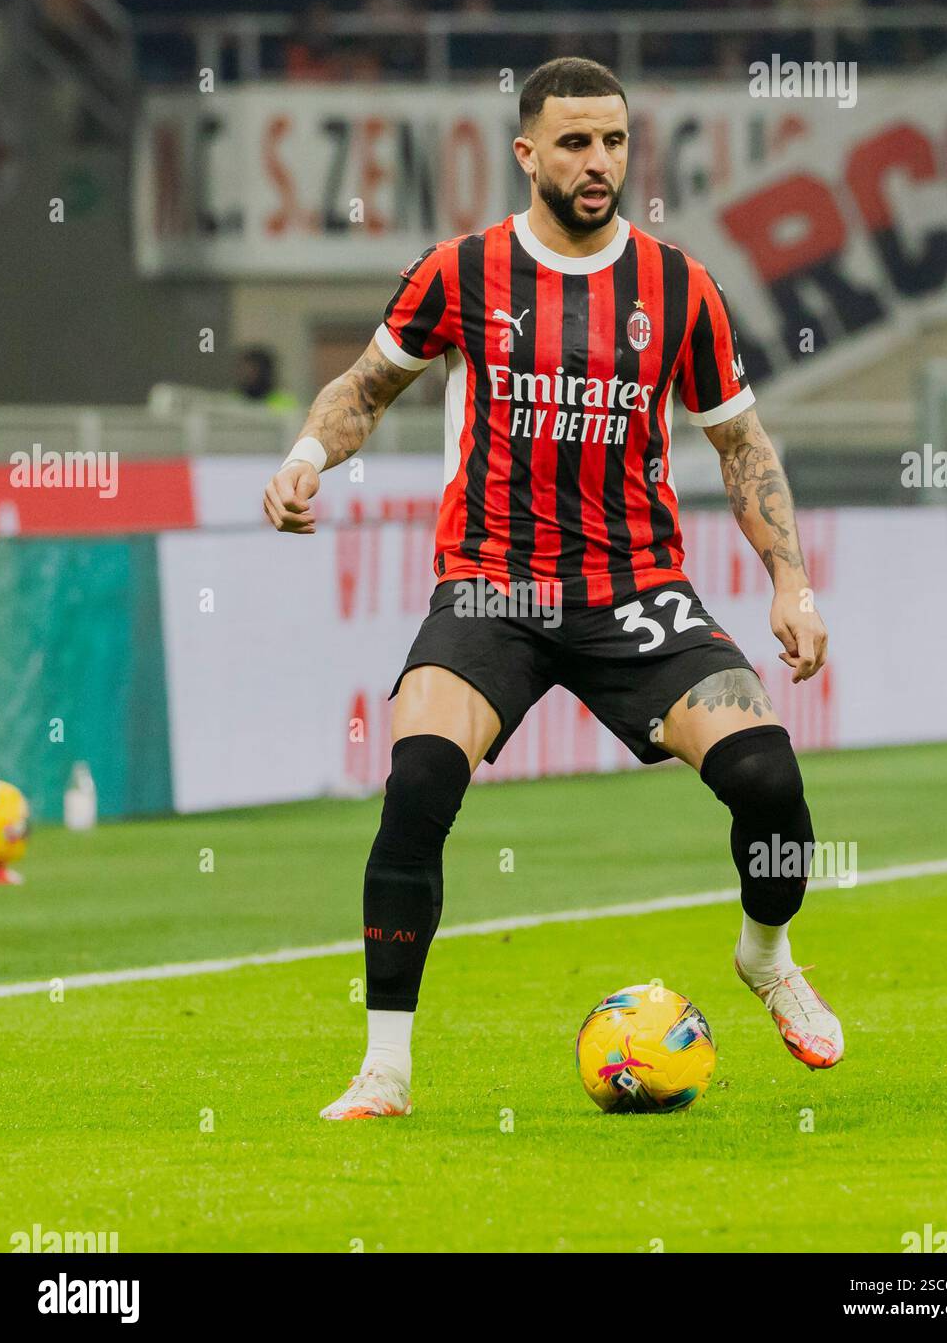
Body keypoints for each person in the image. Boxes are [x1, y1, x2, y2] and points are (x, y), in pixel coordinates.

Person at [263, 57, 843, 1121]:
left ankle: (765, 953)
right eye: (574, 143)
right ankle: (384, 1069)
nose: (597, 162)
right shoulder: (458, 271)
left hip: (633, 589)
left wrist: (789, 583)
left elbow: (740, 445)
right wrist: (307, 455)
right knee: (420, 781)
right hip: (490, 589)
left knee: (765, 778)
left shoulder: (678, 287)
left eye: (614, 141)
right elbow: (364, 389)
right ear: (525, 152)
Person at [235, 346, 298, 411]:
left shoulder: (285, 402)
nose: (247, 375)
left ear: (265, 372)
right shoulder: (232, 400)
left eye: (253, 371)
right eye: (243, 370)